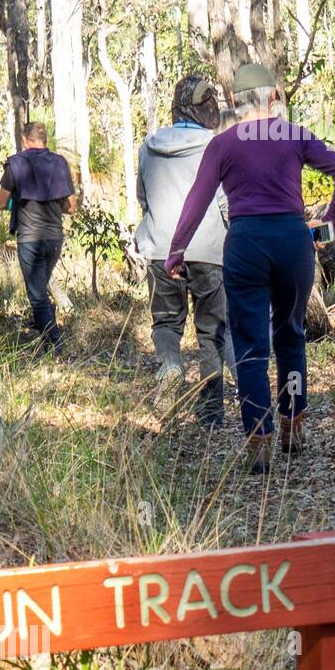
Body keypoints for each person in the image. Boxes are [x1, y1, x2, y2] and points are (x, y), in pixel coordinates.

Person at [164, 64, 335, 471]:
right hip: (292, 242)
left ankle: (259, 444)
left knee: (250, 345)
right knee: (291, 335)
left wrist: (176, 250)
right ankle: (293, 426)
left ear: (234, 102)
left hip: (246, 243)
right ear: (273, 99)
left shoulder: (223, 144)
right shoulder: (294, 135)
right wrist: (330, 224)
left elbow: (196, 200)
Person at [135, 76, 229, 419]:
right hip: (208, 249)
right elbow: (225, 201)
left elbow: (142, 197)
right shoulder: (216, 145)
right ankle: (210, 408)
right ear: (206, 107)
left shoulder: (149, 145)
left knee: (166, 323)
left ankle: (171, 368)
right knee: (211, 328)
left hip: (161, 247)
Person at [0, 123, 76, 355]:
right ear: (45, 139)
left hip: (30, 238)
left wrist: (18, 202)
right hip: (54, 238)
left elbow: (1, 203)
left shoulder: (16, 163)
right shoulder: (60, 163)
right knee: (40, 289)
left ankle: (55, 346)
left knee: (37, 295)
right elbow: (71, 207)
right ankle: (47, 334)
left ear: (25, 140)